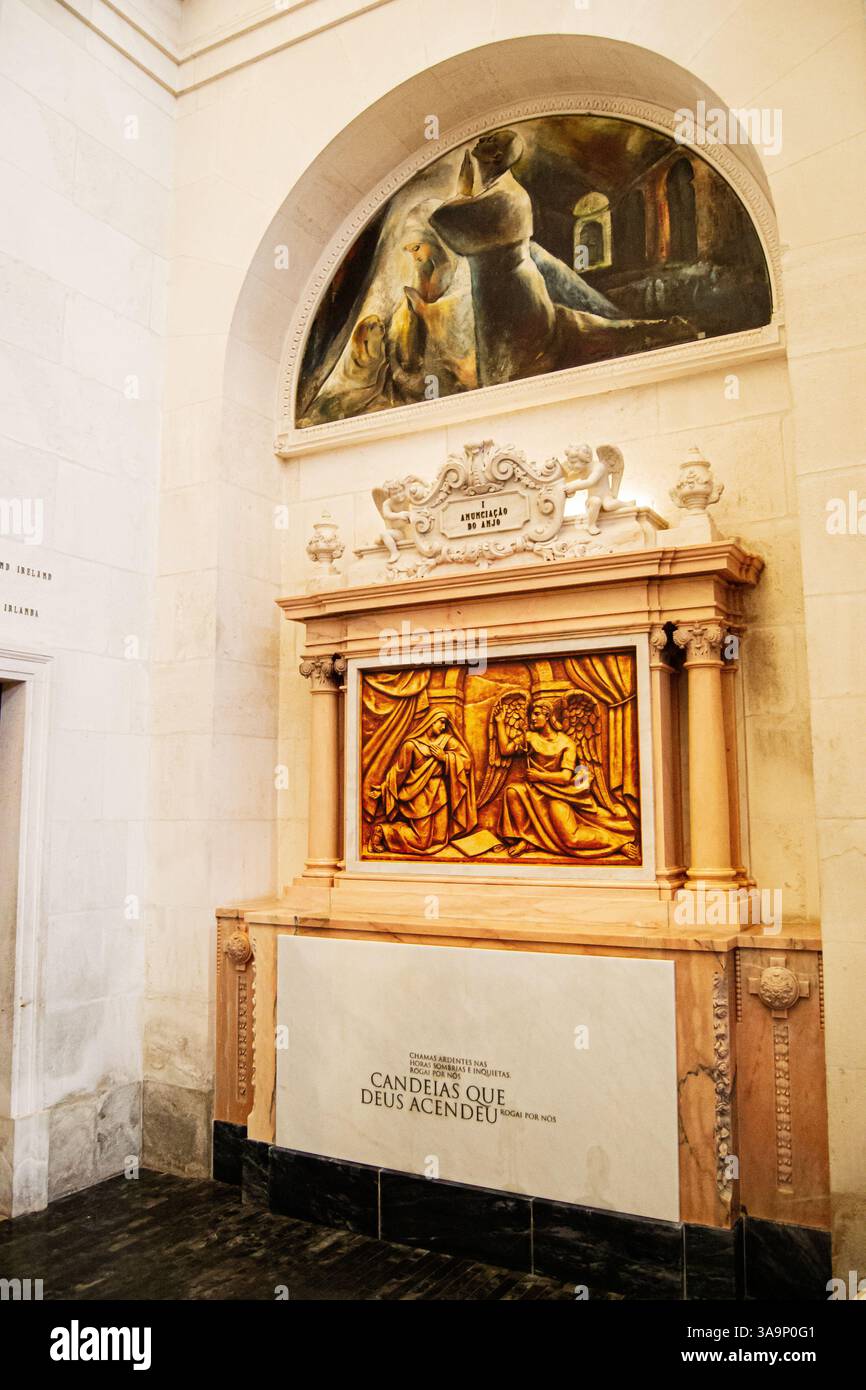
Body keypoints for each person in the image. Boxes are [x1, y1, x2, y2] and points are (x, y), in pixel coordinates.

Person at [495, 700, 638, 860]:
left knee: (572, 838)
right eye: (531, 715)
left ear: (547, 716)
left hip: (560, 794)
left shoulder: (566, 743)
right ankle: (527, 839)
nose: (532, 719)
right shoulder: (530, 737)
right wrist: (500, 722)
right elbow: (505, 750)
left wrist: (539, 776)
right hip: (534, 790)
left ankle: (617, 842)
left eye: (536, 714)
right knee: (512, 791)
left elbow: (565, 777)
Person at [368, 708, 477, 855]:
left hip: (440, 793)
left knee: (438, 840)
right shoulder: (411, 745)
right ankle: (384, 831)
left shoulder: (447, 741)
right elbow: (400, 772)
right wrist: (383, 789)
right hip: (418, 794)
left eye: (445, 723)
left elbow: (467, 762)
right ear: (430, 722)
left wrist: (444, 757)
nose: (444, 727)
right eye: (441, 723)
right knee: (422, 842)